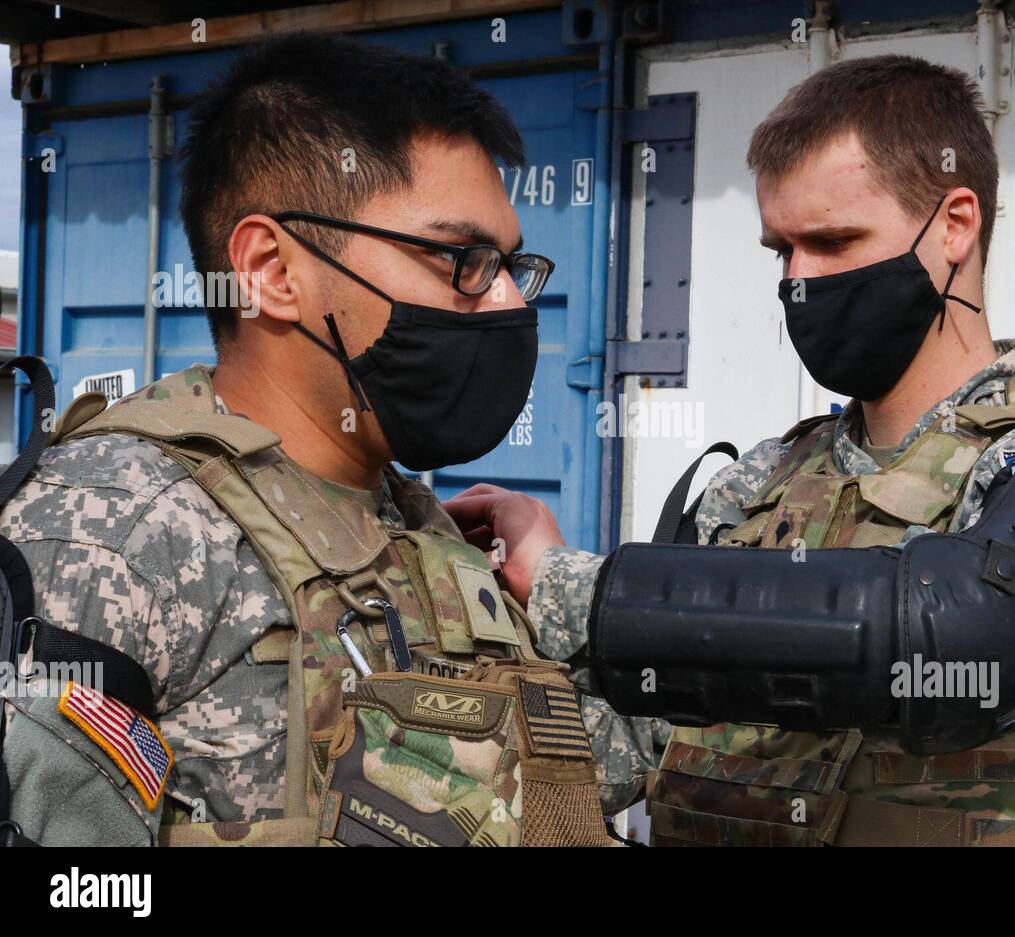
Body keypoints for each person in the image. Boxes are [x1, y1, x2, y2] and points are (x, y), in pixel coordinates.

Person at [446, 55, 1015, 846]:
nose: (799, 280)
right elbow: (618, 750)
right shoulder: (752, 489)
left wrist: (567, 586)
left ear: (954, 227)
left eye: (833, 241)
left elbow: (969, 636)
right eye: (780, 251)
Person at [0, 33, 612, 847]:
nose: (504, 303)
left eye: (507, 264)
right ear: (274, 271)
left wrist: (569, 594)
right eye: (461, 258)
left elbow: (589, 786)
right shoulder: (117, 532)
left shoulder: (429, 531)